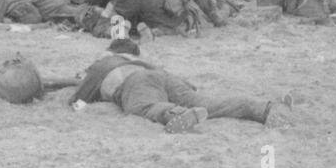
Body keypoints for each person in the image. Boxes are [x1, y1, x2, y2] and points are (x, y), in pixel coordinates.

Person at [69, 39, 293, 134]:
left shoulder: (102, 65)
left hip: (136, 82)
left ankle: (176, 114)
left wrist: (83, 78)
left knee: (146, 108)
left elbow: (76, 99)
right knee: (209, 104)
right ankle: (265, 108)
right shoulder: (139, 60)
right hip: (166, 77)